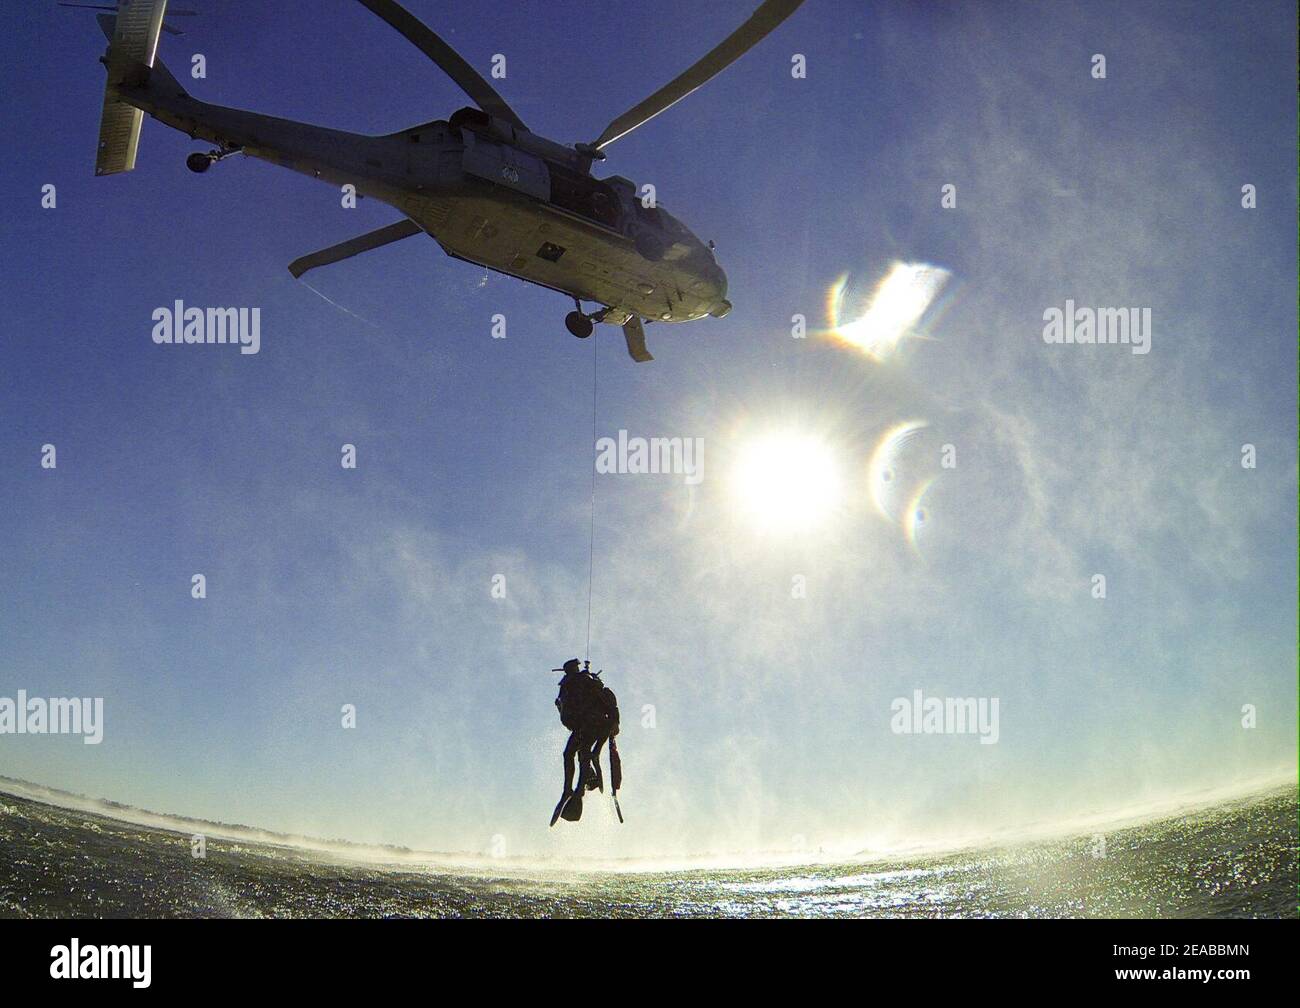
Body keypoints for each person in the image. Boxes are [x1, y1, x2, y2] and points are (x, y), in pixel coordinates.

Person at [549, 658, 621, 825]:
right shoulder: (567, 688)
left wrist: (613, 723)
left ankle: (580, 790)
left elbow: (605, 701)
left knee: (584, 753)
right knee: (569, 754)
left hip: (593, 724)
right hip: (581, 726)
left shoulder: (585, 681)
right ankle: (568, 789)